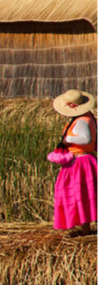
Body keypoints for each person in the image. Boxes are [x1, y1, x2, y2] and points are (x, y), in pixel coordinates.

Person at [48, 89, 96, 237]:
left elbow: (86, 139)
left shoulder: (82, 121)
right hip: (86, 160)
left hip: (79, 163)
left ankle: (85, 229)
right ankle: (85, 228)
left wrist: (67, 140)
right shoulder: (89, 118)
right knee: (84, 194)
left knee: (78, 194)